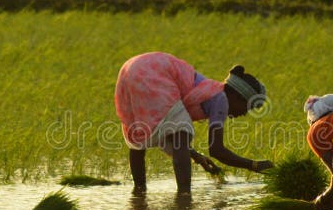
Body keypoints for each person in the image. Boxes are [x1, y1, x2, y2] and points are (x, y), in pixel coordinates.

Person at [114, 52, 274, 194]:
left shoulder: (209, 91)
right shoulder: (221, 99)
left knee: (139, 133)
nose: (244, 114)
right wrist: (254, 165)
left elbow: (169, 129)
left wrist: (196, 156)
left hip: (131, 69)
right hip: (152, 72)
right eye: (247, 107)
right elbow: (216, 150)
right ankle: (184, 197)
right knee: (181, 131)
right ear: (237, 96)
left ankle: (139, 192)